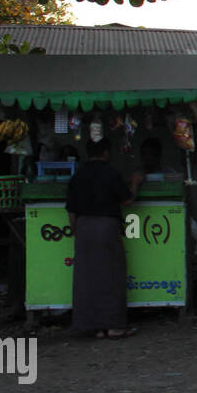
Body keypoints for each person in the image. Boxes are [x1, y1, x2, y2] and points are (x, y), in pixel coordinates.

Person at [66, 137, 140, 339]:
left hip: (83, 228)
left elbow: (71, 211)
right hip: (106, 227)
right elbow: (128, 201)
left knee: (87, 278)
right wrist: (135, 182)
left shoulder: (77, 176)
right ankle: (115, 326)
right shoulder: (111, 174)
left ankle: (95, 327)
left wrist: (76, 232)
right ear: (106, 152)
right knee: (112, 275)